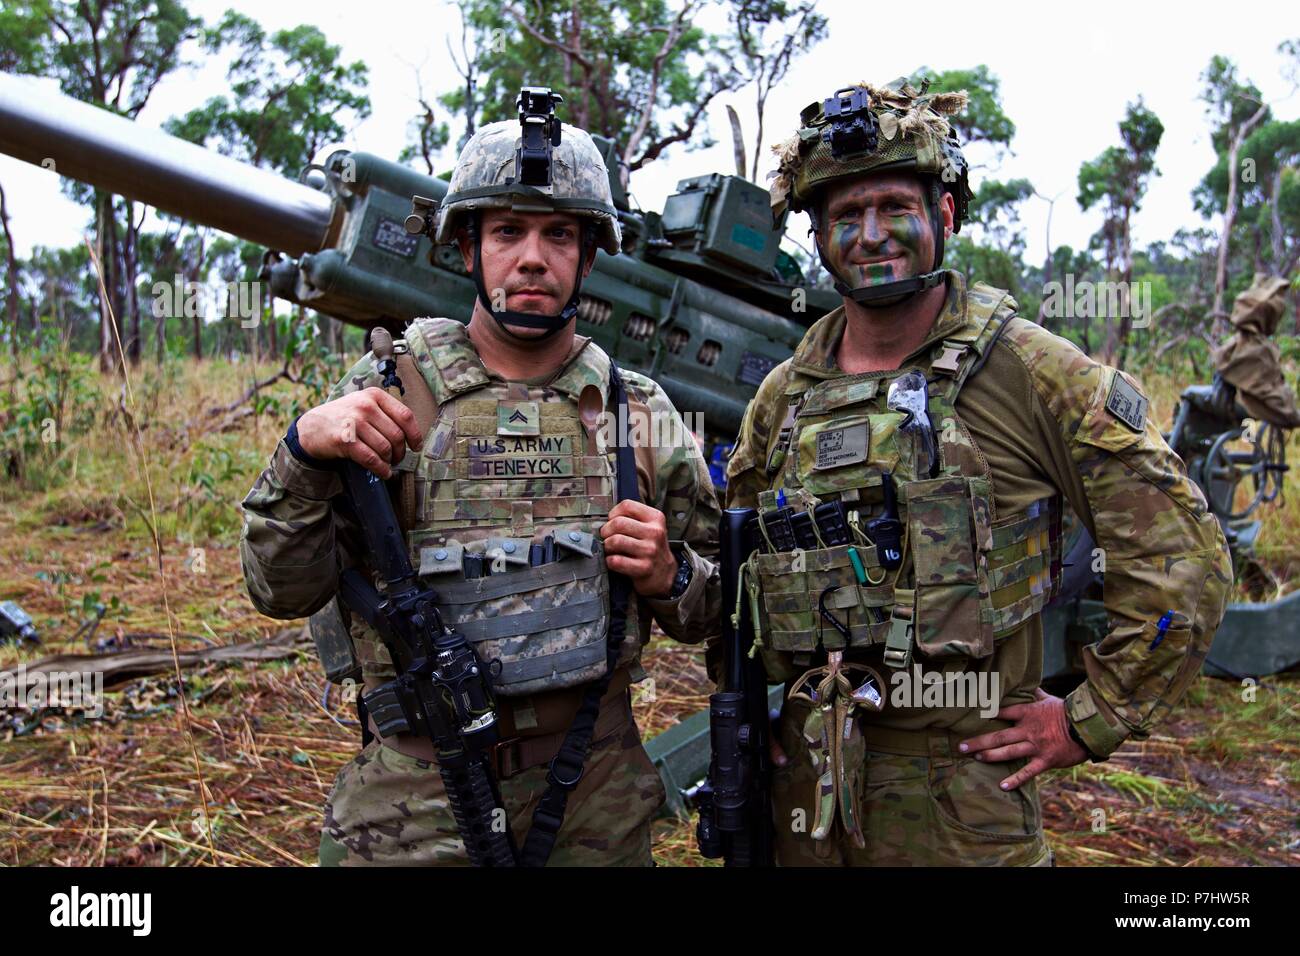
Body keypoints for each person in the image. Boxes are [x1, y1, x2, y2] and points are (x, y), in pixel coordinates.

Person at [723, 79, 1231, 866]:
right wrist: (753, 716)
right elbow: (741, 575)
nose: (871, 235)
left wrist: (1086, 717)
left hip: (960, 803)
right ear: (819, 238)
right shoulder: (784, 395)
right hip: (805, 797)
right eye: (844, 217)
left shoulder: (1030, 371)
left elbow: (1183, 554)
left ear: (945, 214)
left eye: (894, 206)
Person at [240, 102, 720, 866]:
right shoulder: (384, 396)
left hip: (595, 795)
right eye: (507, 233)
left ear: (590, 259)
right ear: (467, 248)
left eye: (560, 234)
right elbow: (280, 590)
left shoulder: (639, 412)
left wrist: (671, 573)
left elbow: (717, 609)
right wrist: (301, 451)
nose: (533, 258)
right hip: (415, 799)